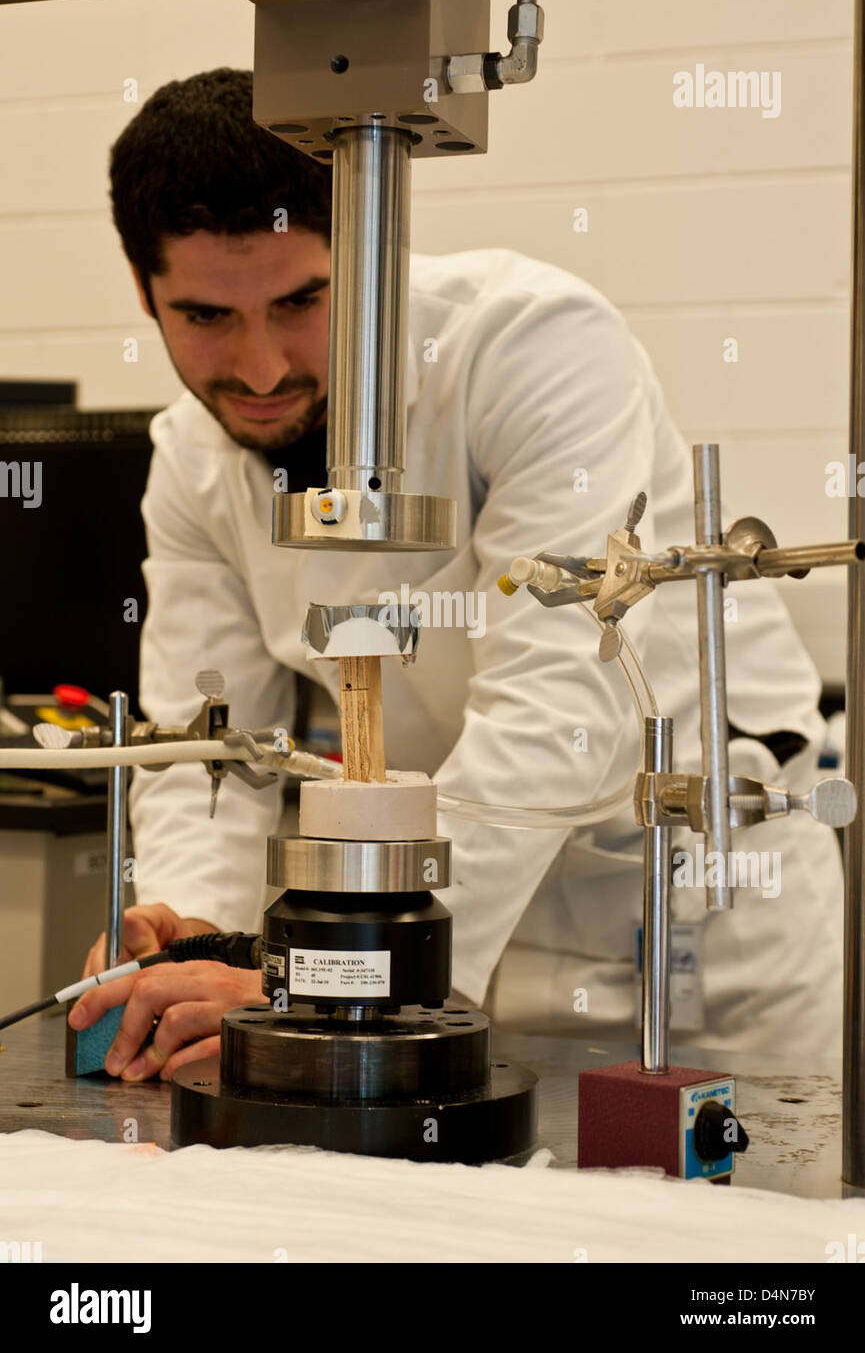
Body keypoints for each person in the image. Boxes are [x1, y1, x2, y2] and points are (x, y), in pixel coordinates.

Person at [74, 68, 843, 1082]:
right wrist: (194, 949)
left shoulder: (535, 346)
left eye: (302, 301)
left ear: (371, 256)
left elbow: (560, 703)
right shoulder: (189, 455)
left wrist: (348, 973)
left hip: (683, 923)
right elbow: (206, 751)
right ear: (145, 294)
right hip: (437, 937)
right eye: (208, 317)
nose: (261, 370)